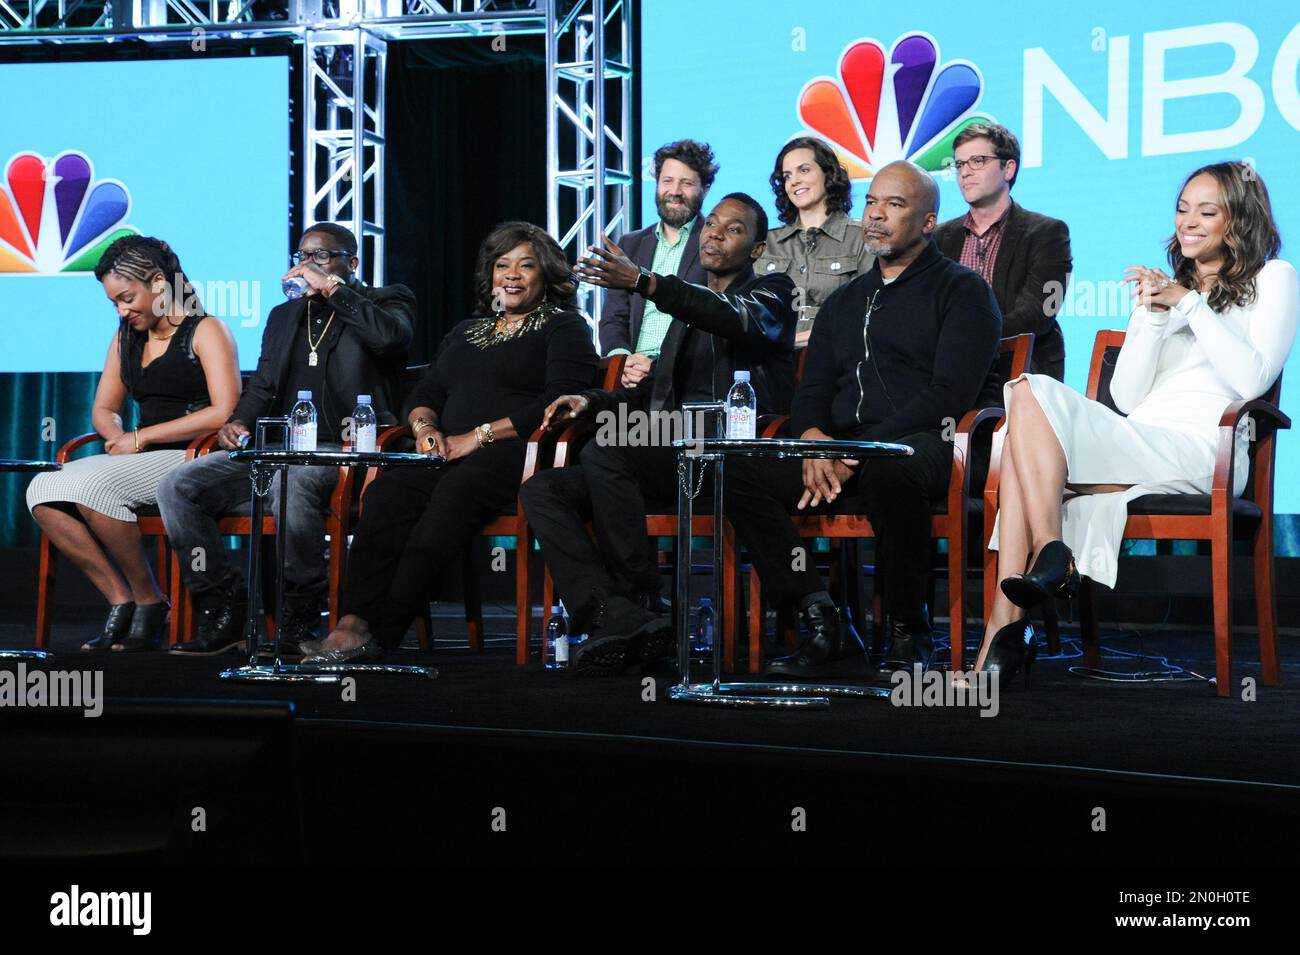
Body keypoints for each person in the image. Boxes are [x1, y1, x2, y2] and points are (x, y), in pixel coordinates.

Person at [976, 161, 1298, 683]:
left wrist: (1190, 304)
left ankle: (1006, 626)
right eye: (1181, 209)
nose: (1188, 221)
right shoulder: (1168, 293)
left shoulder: (1273, 278)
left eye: (1206, 211)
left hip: (1203, 448)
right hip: (1138, 439)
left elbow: (1251, 381)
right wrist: (1151, 317)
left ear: (1238, 219)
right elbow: (1126, 396)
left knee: (1025, 411)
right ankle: (1031, 588)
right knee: (1024, 410)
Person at [723, 161, 1002, 678]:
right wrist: (812, 443)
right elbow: (811, 392)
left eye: (894, 205)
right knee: (735, 468)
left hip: (926, 442)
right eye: (872, 202)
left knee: (890, 469)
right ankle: (823, 619)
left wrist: (860, 450)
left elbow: (950, 394)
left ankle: (907, 630)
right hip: (841, 450)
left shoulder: (962, 291)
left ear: (927, 222)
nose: (876, 215)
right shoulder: (846, 300)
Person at [521, 193, 798, 676]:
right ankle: (614, 613)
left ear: (756, 248)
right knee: (544, 490)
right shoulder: (684, 309)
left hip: (731, 458)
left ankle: (641, 598)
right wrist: (592, 401)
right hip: (670, 452)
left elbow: (732, 317)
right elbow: (655, 396)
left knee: (608, 450)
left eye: (733, 229)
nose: (714, 232)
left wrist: (645, 281)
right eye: (711, 223)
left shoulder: (772, 292)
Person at [298, 222, 598, 662]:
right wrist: (426, 431)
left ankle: (383, 631)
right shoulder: (466, 332)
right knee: (387, 495)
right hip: (445, 452)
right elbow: (426, 394)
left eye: (525, 265)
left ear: (547, 274)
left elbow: (559, 402)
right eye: (502, 265)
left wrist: (475, 438)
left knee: (451, 499)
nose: (511, 275)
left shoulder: (564, 327)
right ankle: (352, 623)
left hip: (515, 452)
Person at [157, 223, 415, 655]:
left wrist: (333, 289)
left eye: (321, 256)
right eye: (302, 256)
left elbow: (390, 338)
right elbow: (262, 384)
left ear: (351, 263)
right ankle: (225, 603)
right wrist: (236, 422)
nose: (306, 265)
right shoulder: (284, 316)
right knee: (178, 485)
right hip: (282, 448)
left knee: (288, 479)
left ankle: (300, 611)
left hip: (350, 451)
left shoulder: (386, 300)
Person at [27, 236, 240, 652]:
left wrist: (140, 438)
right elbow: (104, 409)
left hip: (195, 454)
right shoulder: (126, 336)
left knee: (90, 486)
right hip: (143, 455)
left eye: (127, 298)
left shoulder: (207, 330)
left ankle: (150, 601)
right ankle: (122, 599)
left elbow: (223, 411)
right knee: (42, 488)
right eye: (115, 304)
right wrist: (116, 437)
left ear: (159, 283)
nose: (123, 311)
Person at [933, 123, 1072, 379]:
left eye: (977, 161)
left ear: (1008, 168)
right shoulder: (938, 238)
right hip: (946, 374)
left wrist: (966, 341)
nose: (965, 172)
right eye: (960, 164)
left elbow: (1038, 314)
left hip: (1018, 371)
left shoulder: (1048, 233)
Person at [599, 139, 715, 387]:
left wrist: (662, 366)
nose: (674, 191)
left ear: (705, 189)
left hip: (687, 376)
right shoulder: (631, 243)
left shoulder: (714, 243)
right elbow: (613, 317)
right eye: (667, 181)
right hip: (629, 373)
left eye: (686, 183)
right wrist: (622, 361)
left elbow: (713, 321)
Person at [754, 136, 872, 347]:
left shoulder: (861, 237)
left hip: (835, 362)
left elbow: (867, 312)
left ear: (829, 174)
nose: (795, 181)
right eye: (787, 176)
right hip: (774, 365)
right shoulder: (766, 243)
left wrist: (797, 341)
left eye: (804, 170)